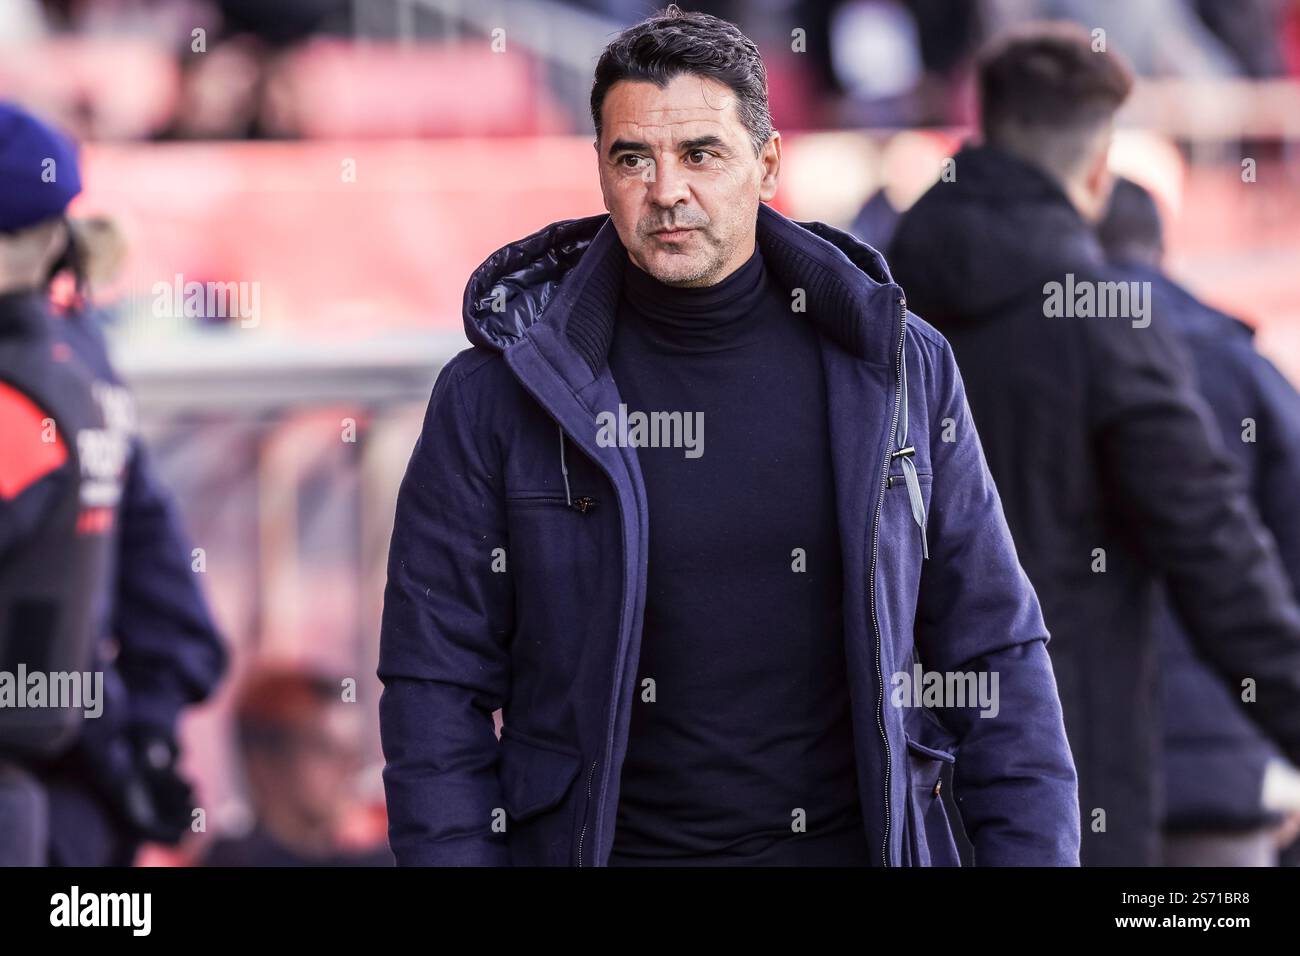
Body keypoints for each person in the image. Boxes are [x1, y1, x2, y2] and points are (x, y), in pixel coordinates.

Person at [378, 4, 1079, 867]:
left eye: (701, 153)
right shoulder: (494, 393)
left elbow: (994, 650)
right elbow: (434, 686)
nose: (666, 189)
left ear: (766, 161)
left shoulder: (894, 364)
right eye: (633, 157)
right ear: (599, 169)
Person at [887, 24, 1300, 866]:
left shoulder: (878, 296)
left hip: (893, 766)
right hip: (1066, 773)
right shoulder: (1105, 322)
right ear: (1099, 170)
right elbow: (1214, 551)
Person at [0, 101, 228, 866]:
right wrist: (139, 741)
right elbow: (167, 595)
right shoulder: (76, 365)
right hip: (71, 782)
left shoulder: (27, 390)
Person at [1098, 177, 1300, 866]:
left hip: (1069, 780)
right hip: (1226, 771)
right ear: (1160, 247)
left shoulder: (1019, 361)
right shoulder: (1241, 367)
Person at [202, 667, 393, 867]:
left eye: (353, 754)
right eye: (326, 749)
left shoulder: (369, 856)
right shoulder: (234, 859)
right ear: (263, 762)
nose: (349, 769)